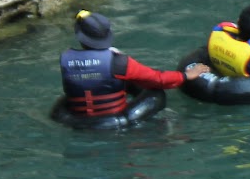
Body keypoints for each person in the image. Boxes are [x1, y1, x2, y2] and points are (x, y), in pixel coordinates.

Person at [59, 10, 209, 118]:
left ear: (81, 38)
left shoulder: (65, 58)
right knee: (155, 94)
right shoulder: (118, 62)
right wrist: (185, 75)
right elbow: (158, 79)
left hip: (77, 120)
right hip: (115, 120)